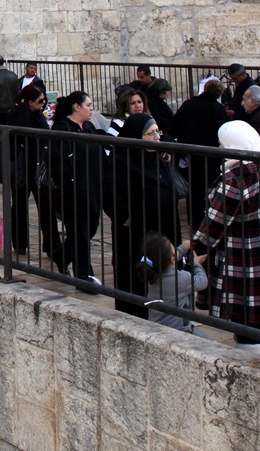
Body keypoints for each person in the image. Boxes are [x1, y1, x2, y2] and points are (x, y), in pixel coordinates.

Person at [188, 120, 260, 348]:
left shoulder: (233, 180)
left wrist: (193, 250)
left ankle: (254, 368)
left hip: (241, 260)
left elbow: (213, 226)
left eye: (222, 144)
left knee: (245, 323)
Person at [106, 114, 181, 318]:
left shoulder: (157, 159)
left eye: (158, 131)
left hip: (163, 227)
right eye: (151, 133)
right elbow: (110, 193)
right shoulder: (122, 162)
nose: (157, 137)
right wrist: (124, 216)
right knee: (137, 281)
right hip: (136, 234)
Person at [50, 91, 106, 284]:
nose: (91, 108)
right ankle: (84, 277)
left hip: (92, 190)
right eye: (88, 105)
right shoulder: (63, 129)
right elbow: (57, 163)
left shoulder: (89, 127)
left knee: (89, 229)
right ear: (77, 107)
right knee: (80, 234)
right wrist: (70, 184)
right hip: (72, 193)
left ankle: (61, 256)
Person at [171, 78, 229, 231]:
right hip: (210, 158)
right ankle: (208, 221)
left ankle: (195, 222)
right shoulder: (218, 109)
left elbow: (174, 125)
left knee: (193, 190)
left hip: (189, 155)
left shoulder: (189, 104)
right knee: (209, 189)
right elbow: (222, 134)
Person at [8, 84, 55, 259]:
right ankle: (20, 244)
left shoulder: (38, 115)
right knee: (19, 206)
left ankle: (51, 245)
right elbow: (19, 132)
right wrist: (24, 110)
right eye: (40, 101)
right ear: (29, 102)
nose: (44, 103)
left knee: (46, 207)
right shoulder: (17, 114)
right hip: (22, 167)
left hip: (39, 167)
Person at [139, 232, 208, 335]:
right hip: (179, 331)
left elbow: (169, 259)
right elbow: (203, 281)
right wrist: (196, 264)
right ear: (172, 259)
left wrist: (183, 247)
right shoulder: (182, 278)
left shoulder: (152, 273)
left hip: (156, 327)